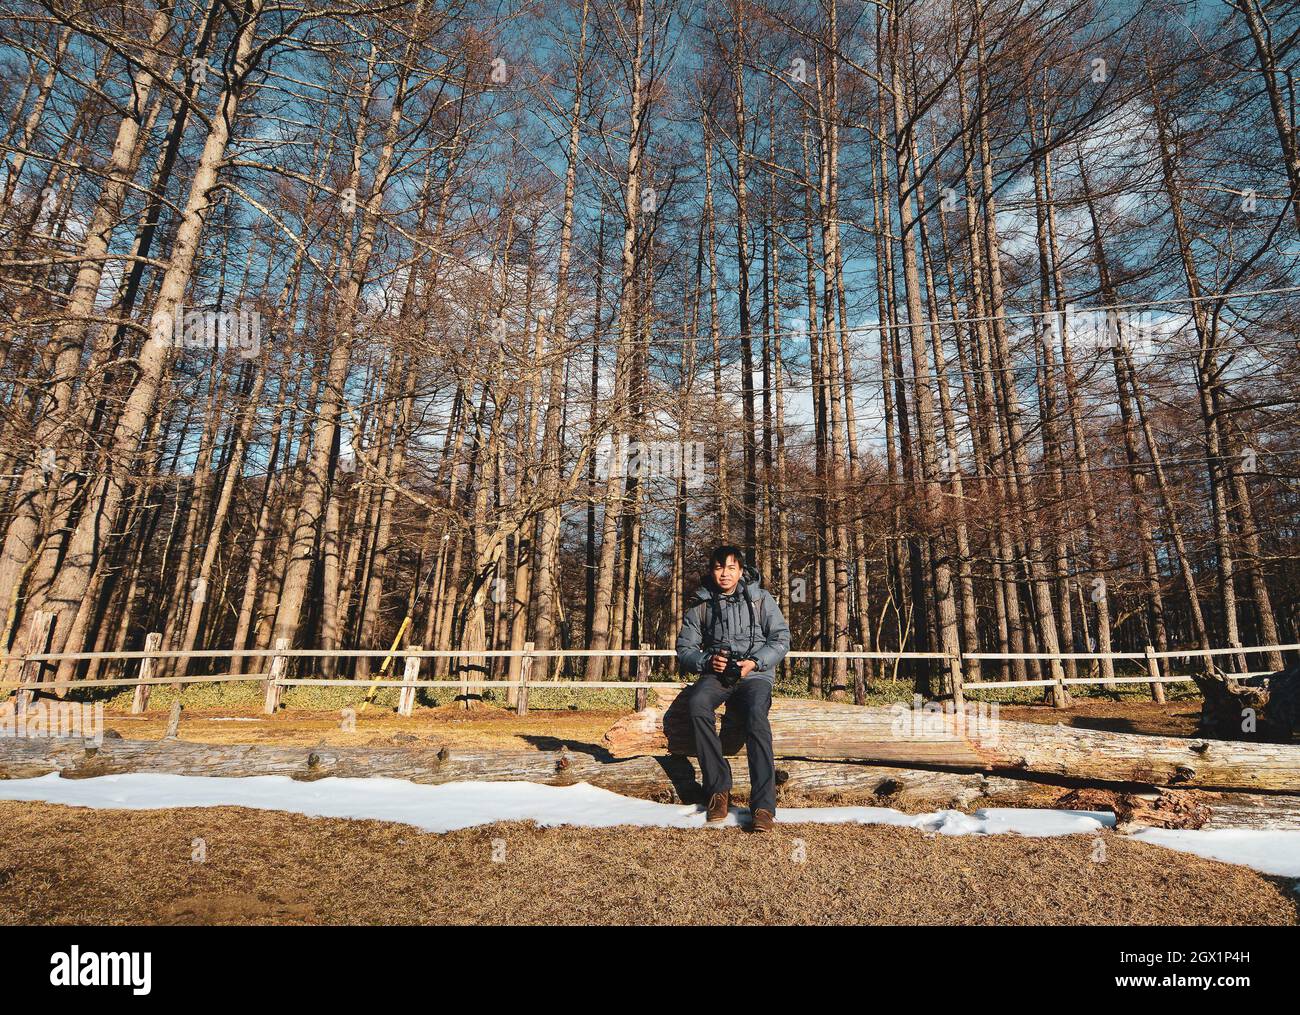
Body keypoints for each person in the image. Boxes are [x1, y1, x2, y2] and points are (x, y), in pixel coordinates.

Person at [674, 544, 791, 832]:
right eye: (718, 567)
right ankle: (717, 789)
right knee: (697, 704)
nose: (724, 573)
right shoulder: (701, 604)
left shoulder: (761, 599)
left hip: (754, 675)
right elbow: (685, 648)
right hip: (717, 674)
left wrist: (755, 662)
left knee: (756, 718)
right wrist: (706, 660)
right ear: (712, 571)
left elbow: (781, 639)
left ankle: (763, 805)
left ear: (740, 570)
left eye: (730, 567)